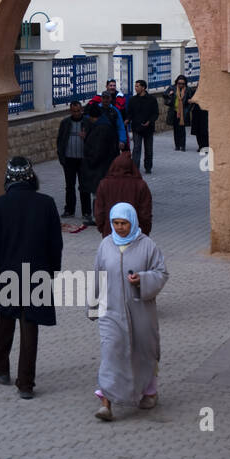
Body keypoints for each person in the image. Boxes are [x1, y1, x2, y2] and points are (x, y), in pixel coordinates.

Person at [0, 156, 63, 400]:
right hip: (37, 273)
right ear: (31, 177)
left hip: (8, 273)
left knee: (5, 320)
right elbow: (55, 244)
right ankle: (26, 384)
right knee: (30, 327)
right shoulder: (47, 203)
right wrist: (52, 271)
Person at [91, 202, 168, 421]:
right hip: (111, 312)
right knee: (111, 352)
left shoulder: (148, 246)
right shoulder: (106, 245)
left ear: (132, 222)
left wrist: (141, 280)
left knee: (144, 352)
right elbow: (98, 274)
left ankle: (149, 392)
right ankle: (106, 402)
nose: (119, 227)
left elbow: (161, 274)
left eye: (124, 223)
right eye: (115, 223)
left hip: (141, 312)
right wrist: (93, 305)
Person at [93, 153, 153, 239]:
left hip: (110, 232)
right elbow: (145, 213)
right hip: (135, 234)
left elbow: (99, 212)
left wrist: (103, 228)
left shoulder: (104, 184)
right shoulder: (140, 185)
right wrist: (145, 232)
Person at [79, 103, 118, 227]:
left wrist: (90, 161)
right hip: (102, 165)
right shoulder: (102, 125)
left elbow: (98, 149)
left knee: (98, 193)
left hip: (100, 167)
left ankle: (99, 218)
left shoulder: (101, 128)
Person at [55, 100, 88, 219]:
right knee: (69, 186)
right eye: (74, 111)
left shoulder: (87, 122)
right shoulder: (65, 123)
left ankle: (86, 211)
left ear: (82, 110)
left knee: (84, 186)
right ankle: (69, 210)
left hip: (83, 159)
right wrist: (61, 157)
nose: (76, 113)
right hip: (69, 159)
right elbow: (60, 140)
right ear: (70, 111)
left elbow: (93, 139)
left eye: (78, 111)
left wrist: (86, 137)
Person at [126, 79, 159, 173]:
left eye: (137, 86)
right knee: (136, 148)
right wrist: (127, 120)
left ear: (143, 87)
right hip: (137, 128)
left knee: (148, 149)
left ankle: (148, 167)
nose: (135, 88)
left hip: (148, 128)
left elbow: (155, 113)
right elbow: (130, 113)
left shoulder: (152, 99)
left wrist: (149, 121)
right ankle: (135, 168)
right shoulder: (133, 100)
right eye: (135, 86)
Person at [163, 75, 196, 151]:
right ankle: (177, 145)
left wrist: (188, 109)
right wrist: (169, 94)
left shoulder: (188, 90)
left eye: (182, 83)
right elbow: (164, 95)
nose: (181, 85)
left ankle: (183, 145)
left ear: (185, 83)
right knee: (175, 129)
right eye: (179, 83)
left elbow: (191, 100)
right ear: (176, 82)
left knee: (182, 130)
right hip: (174, 111)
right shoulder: (172, 88)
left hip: (183, 112)